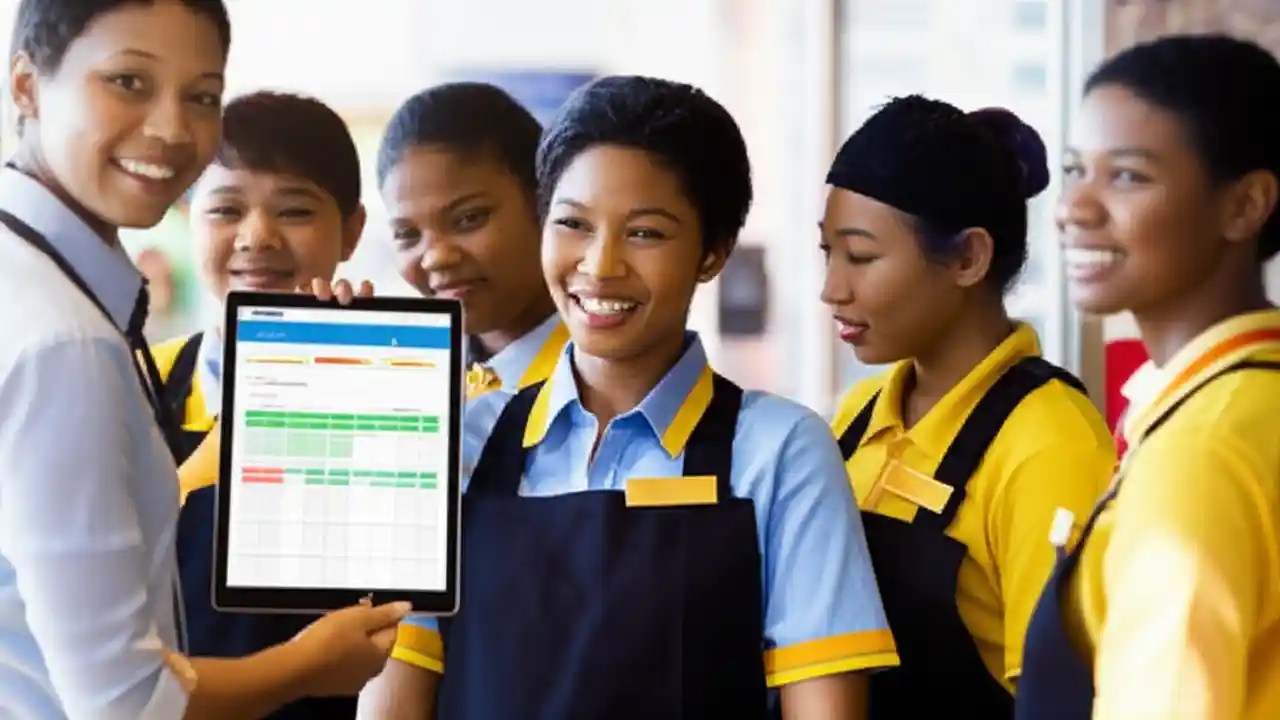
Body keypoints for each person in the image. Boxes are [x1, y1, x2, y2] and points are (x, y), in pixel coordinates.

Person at [365, 75, 898, 720]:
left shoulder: (780, 452)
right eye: (572, 224)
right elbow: (395, 699)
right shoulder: (459, 446)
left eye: (645, 233)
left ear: (713, 251)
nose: (600, 265)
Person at [0, 2, 406, 717]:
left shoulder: (58, 300)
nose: (169, 128)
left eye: (202, 96)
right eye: (128, 80)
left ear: (350, 232)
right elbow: (126, 703)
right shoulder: (69, 343)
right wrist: (308, 664)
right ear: (27, 87)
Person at [821, 95, 1115, 718]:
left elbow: (1064, 699)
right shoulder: (858, 412)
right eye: (829, 253)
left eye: (862, 256)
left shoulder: (1050, 441)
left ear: (967, 258)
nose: (833, 288)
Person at [1018, 34, 1280, 720]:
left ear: (1245, 205)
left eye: (1128, 176)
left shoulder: (1204, 445)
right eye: (1076, 170)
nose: (1075, 208)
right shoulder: (1248, 400)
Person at [151, 89, 368, 719]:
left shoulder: (404, 386)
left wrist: (346, 366)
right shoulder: (136, 382)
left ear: (352, 231)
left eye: (295, 210)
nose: (258, 237)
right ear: (187, 217)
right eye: (225, 210)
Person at [358, 82, 568, 709]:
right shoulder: (411, 394)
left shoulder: (608, 389)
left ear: (545, 204)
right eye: (407, 234)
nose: (436, 257)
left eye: (469, 219)